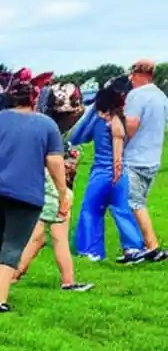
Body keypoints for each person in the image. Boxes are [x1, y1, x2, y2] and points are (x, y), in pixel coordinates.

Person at [0, 76, 69, 314]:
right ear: (34, 99)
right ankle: (0, 301)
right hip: (26, 193)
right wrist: (62, 192)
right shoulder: (47, 125)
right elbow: (55, 162)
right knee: (14, 242)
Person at [69, 88, 144, 262]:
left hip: (102, 172)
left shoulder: (100, 121)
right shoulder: (124, 121)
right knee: (122, 210)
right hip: (121, 174)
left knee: (91, 211)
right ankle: (133, 247)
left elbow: (78, 136)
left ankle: (90, 250)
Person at [16, 155, 92, 292]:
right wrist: (63, 196)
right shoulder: (52, 136)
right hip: (52, 189)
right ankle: (68, 282)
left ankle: (12, 275)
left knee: (40, 237)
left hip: (38, 185)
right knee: (53, 236)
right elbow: (54, 160)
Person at [122, 58, 167, 263]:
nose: (130, 79)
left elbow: (131, 125)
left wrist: (116, 139)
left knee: (133, 203)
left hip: (135, 156)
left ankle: (150, 247)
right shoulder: (161, 96)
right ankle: (141, 245)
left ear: (140, 75)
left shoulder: (136, 96)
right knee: (140, 203)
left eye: (132, 74)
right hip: (153, 157)